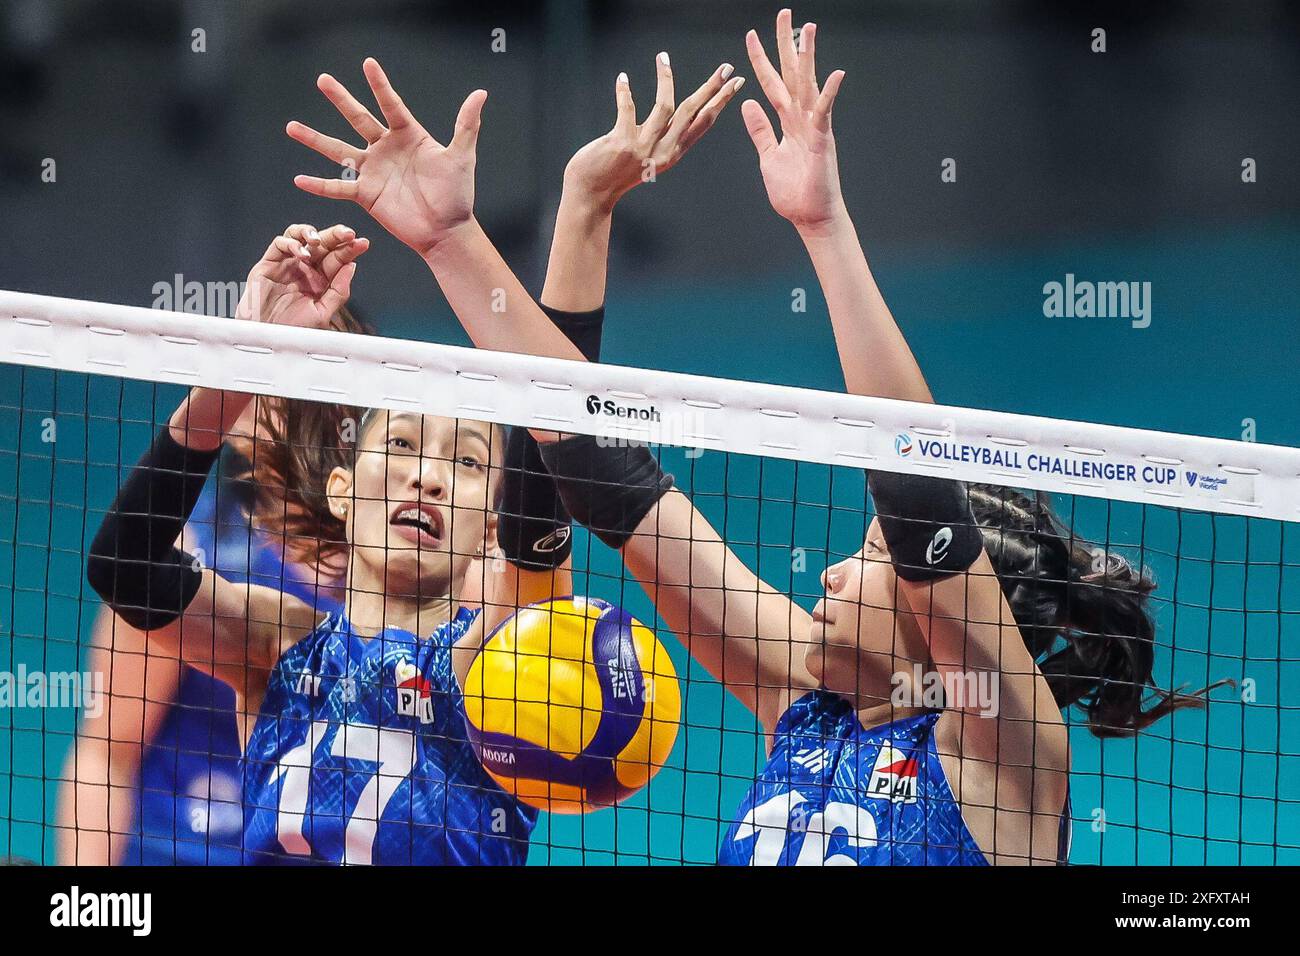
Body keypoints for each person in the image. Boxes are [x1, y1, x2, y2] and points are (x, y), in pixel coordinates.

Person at [332, 10, 1223, 865]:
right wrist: (454, 241)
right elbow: (599, 472)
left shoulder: (1003, 754)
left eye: (874, 555)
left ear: (935, 606)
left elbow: (916, 488)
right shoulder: (804, 702)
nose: (831, 572)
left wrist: (827, 231)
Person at [85, 53, 738, 865]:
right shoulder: (280, 645)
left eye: (467, 464)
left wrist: (582, 214)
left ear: (488, 529)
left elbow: (553, 435)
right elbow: (124, 565)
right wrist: (241, 365)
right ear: (341, 487)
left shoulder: (495, 661)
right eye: (396, 446)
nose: (427, 473)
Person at [58, 289, 363, 865]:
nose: (249, 394)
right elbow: (107, 754)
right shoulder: (182, 545)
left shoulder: (385, 572)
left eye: (275, 363)